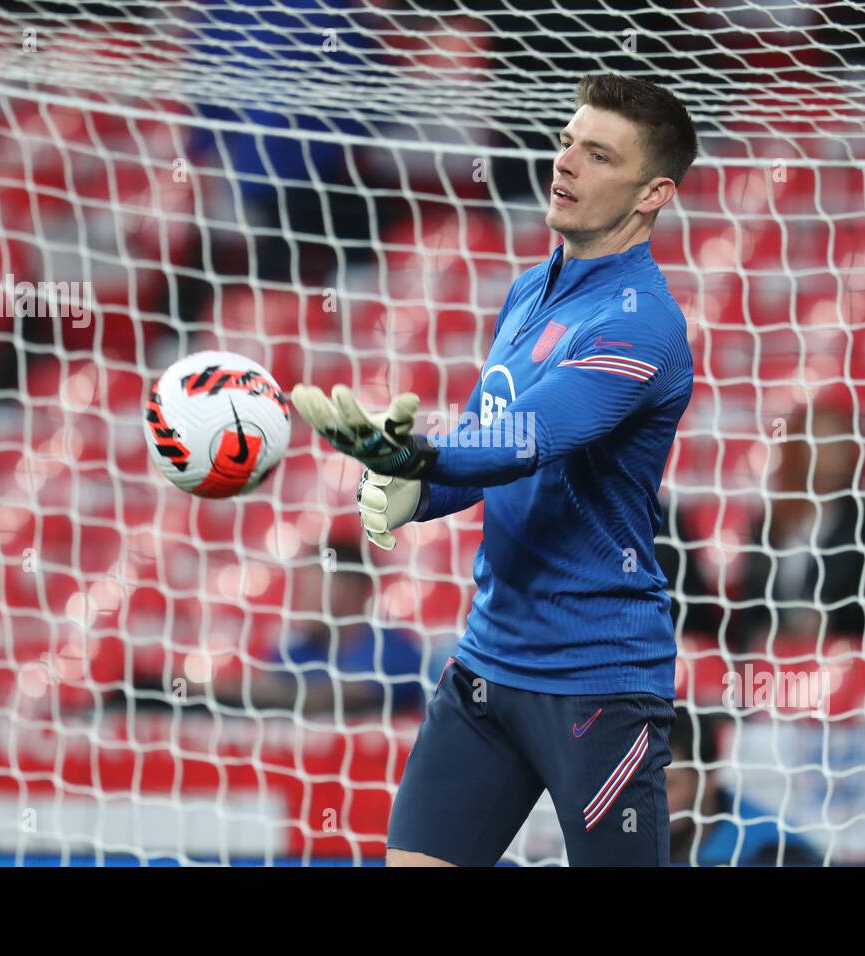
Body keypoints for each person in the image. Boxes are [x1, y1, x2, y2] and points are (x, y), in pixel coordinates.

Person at [290, 73, 698, 866]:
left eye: (599, 155)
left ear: (654, 194)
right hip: (487, 662)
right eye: (569, 141)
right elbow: (485, 443)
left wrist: (417, 454)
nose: (567, 164)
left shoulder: (645, 324)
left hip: (597, 679)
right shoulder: (527, 292)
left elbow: (528, 438)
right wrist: (415, 489)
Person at [730, 394, 865, 652]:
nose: (834, 454)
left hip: (840, 662)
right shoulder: (769, 525)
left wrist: (829, 621)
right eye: (824, 441)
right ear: (799, 448)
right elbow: (750, 604)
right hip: (774, 664)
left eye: (840, 442)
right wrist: (761, 634)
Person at [217, 540, 428, 716]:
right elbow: (263, 689)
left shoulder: (394, 651)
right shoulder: (295, 652)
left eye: (311, 590)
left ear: (349, 591)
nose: (300, 601)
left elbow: (339, 698)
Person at [667, 706, 821, 865]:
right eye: (642, 784)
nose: (651, 797)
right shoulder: (642, 836)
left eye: (667, 784)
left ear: (707, 777)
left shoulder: (774, 850)